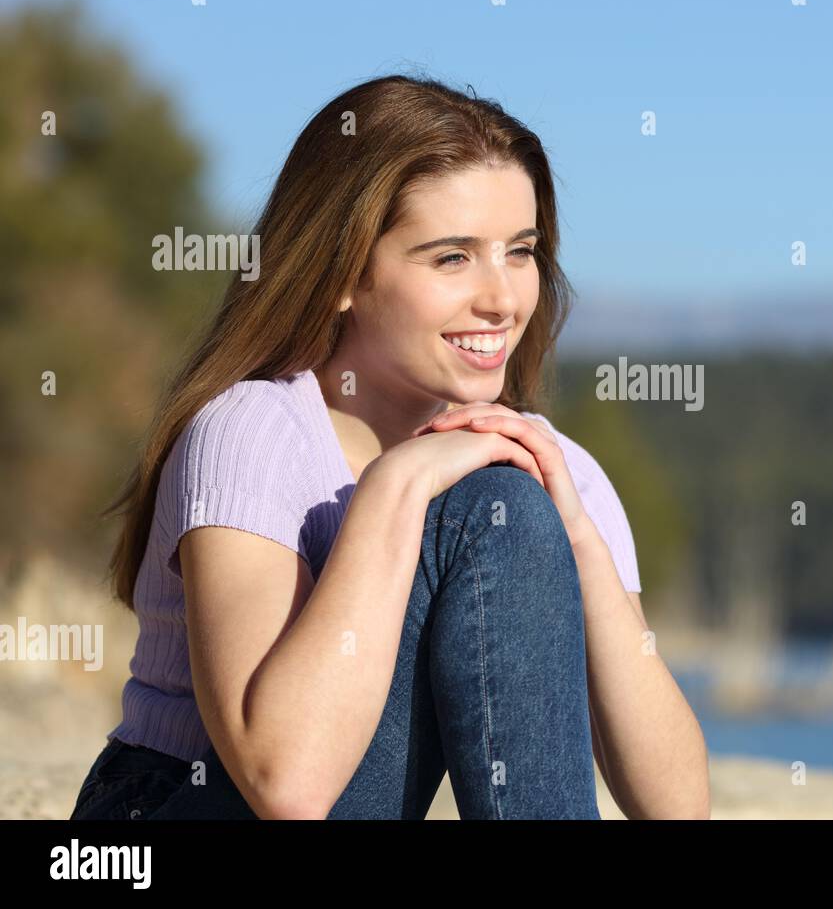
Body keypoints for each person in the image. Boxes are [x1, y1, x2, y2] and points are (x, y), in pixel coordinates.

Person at [69, 75, 710, 820]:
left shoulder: (536, 462)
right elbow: (284, 785)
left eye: (520, 251)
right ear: (343, 274)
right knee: (492, 507)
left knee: (509, 504)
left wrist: (575, 532)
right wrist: (395, 489)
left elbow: (677, 807)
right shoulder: (250, 432)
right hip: (163, 812)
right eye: (452, 258)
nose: (502, 299)